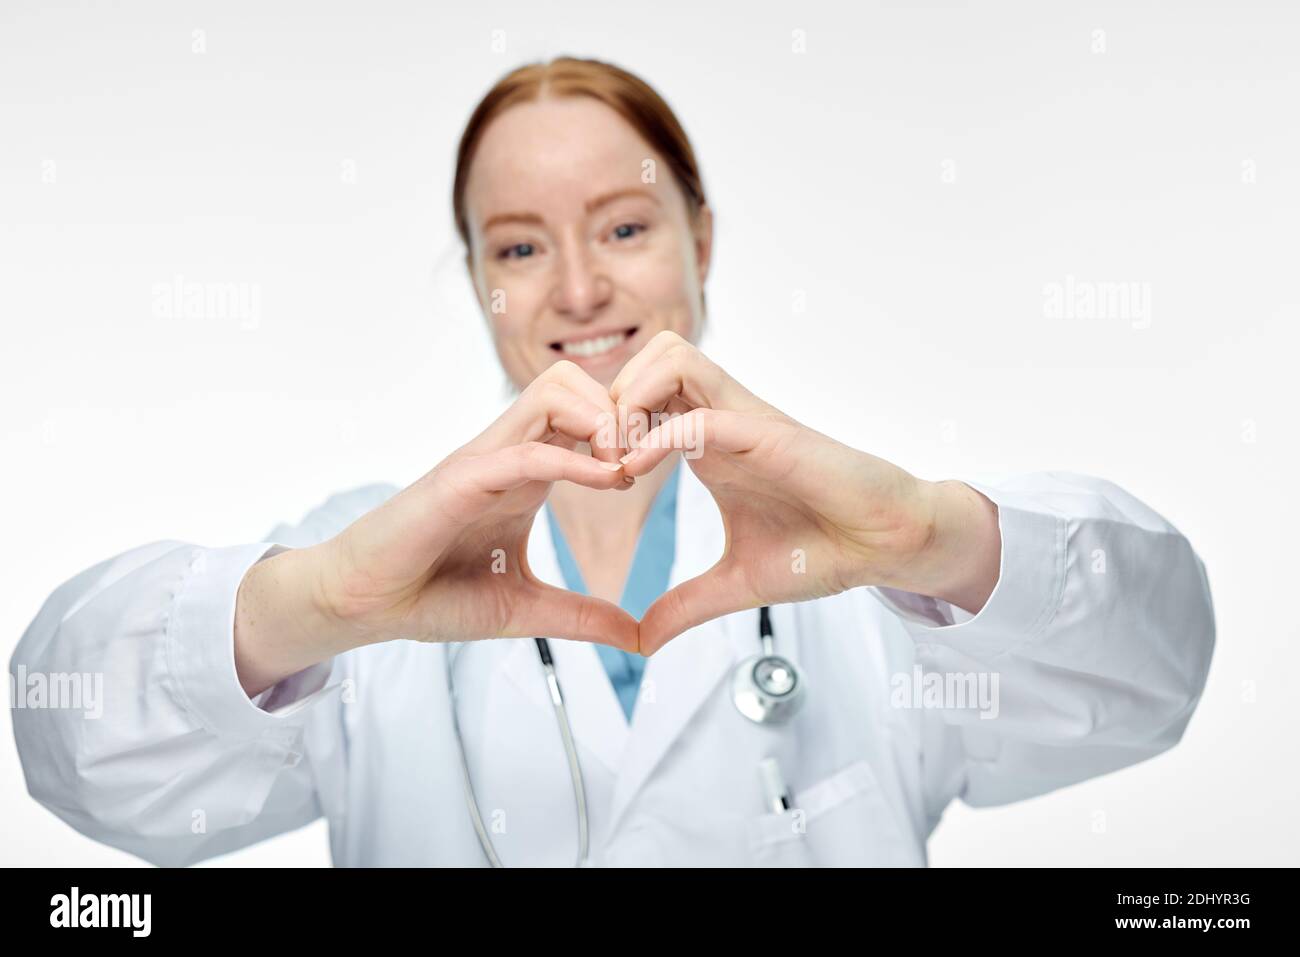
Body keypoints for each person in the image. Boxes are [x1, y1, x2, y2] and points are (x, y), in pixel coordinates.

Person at [10, 57, 1215, 867]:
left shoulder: (864, 560)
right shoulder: (366, 561)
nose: (580, 290)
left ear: (699, 237)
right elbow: (74, 753)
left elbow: (1149, 678)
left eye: (625, 227)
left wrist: (923, 537)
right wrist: (318, 604)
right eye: (522, 245)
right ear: (479, 278)